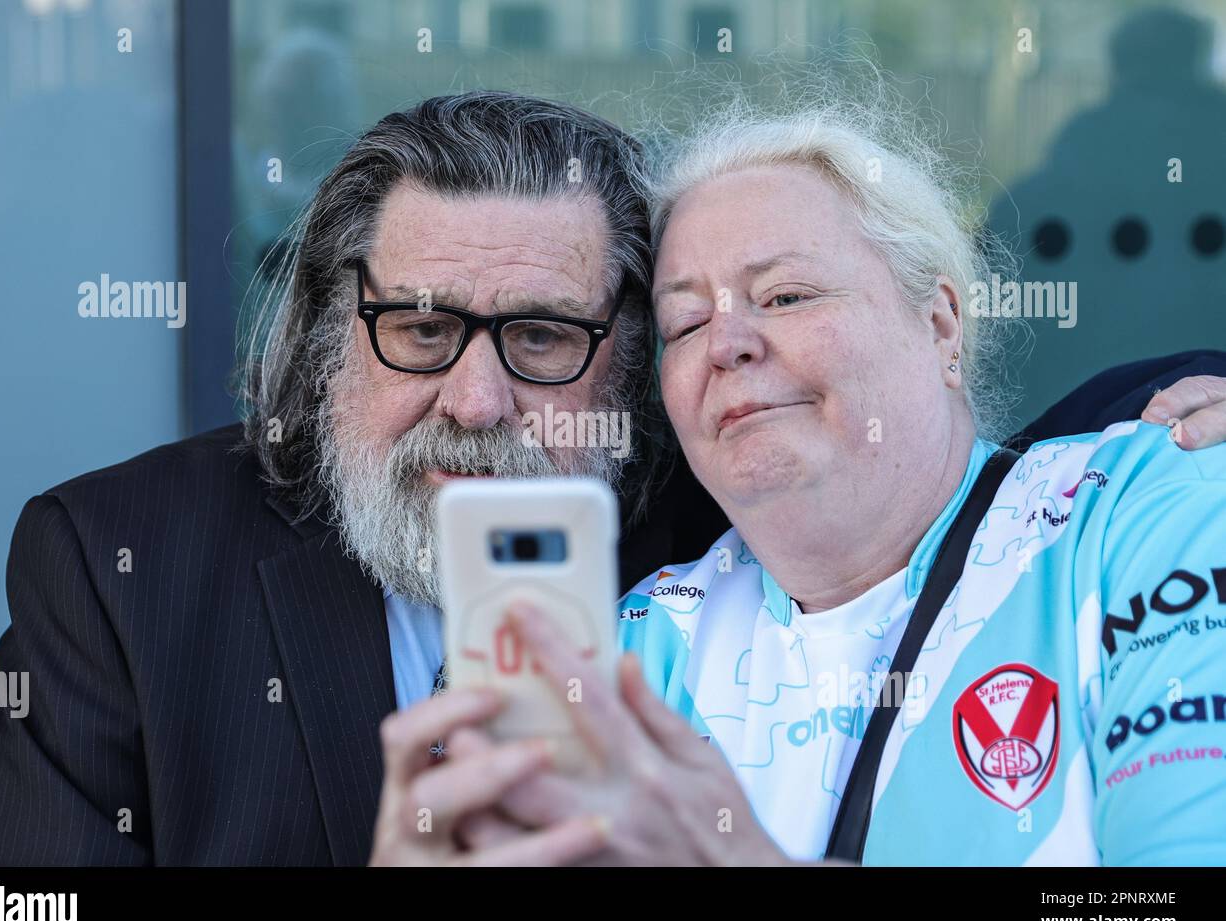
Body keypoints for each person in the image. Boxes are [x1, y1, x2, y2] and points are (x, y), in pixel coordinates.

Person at [0, 91, 1226, 867]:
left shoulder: (704, 525)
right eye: (422, 329)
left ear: (625, 372)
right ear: (334, 341)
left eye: (544, 337)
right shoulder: (125, 561)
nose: (479, 398)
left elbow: (976, 483)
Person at [370, 95, 1226, 866]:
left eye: (783, 296)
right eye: (687, 319)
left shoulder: (1149, 509)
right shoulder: (637, 650)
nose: (727, 343)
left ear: (938, 323)